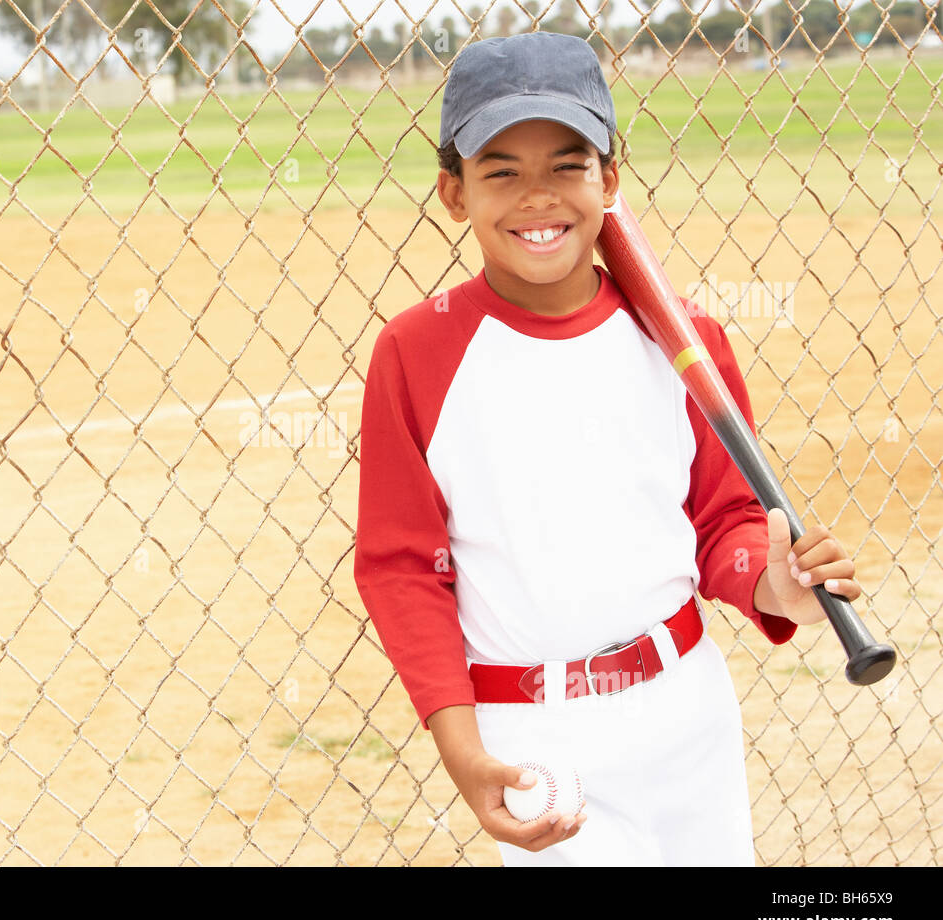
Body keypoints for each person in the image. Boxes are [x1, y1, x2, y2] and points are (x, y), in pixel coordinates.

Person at [352, 32, 864, 865]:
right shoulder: (417, 353)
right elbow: (399, 565)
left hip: (686, 715)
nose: (537, 197)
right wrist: (459, 744)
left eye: (567, 164)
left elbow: (724, 522)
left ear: (609, 179)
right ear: (453, 193)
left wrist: (771, 583)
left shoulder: (684, 339)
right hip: (537, 737)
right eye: (501, 171)